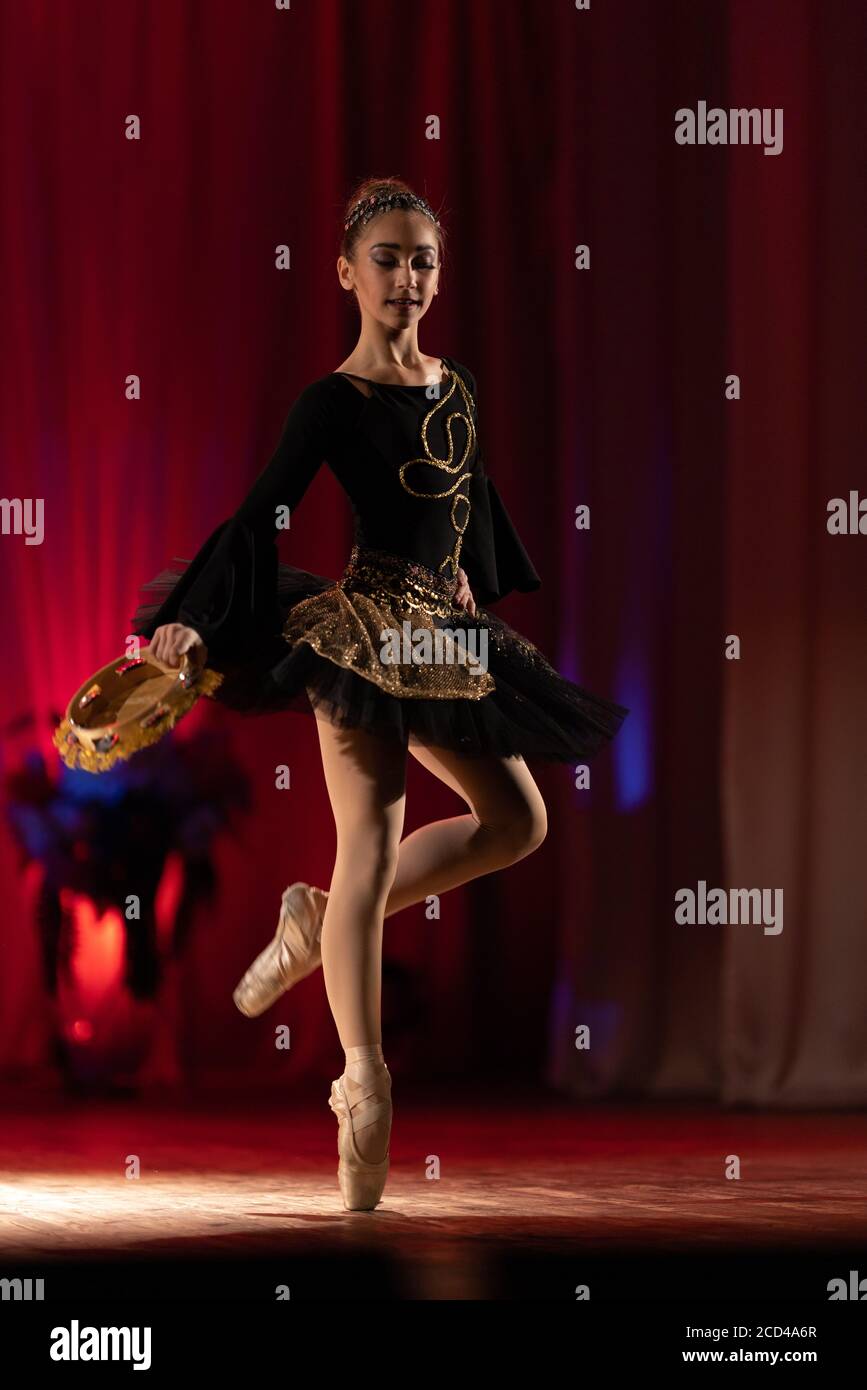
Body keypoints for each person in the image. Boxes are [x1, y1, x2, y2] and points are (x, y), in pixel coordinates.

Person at [131, 177, 629, 1212]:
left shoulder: (458, 386)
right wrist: (193, 622)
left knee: (517, 820)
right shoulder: (332, 401)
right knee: (370, 841)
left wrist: (468, 594)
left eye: (423, 259)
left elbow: (462, 504)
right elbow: (262, 512)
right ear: (348, 272)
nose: (407, 276)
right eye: (388, 258)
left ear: (439, 274)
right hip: (358, 636)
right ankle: (362, 1084)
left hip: (437, 634)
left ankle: (319, 927)